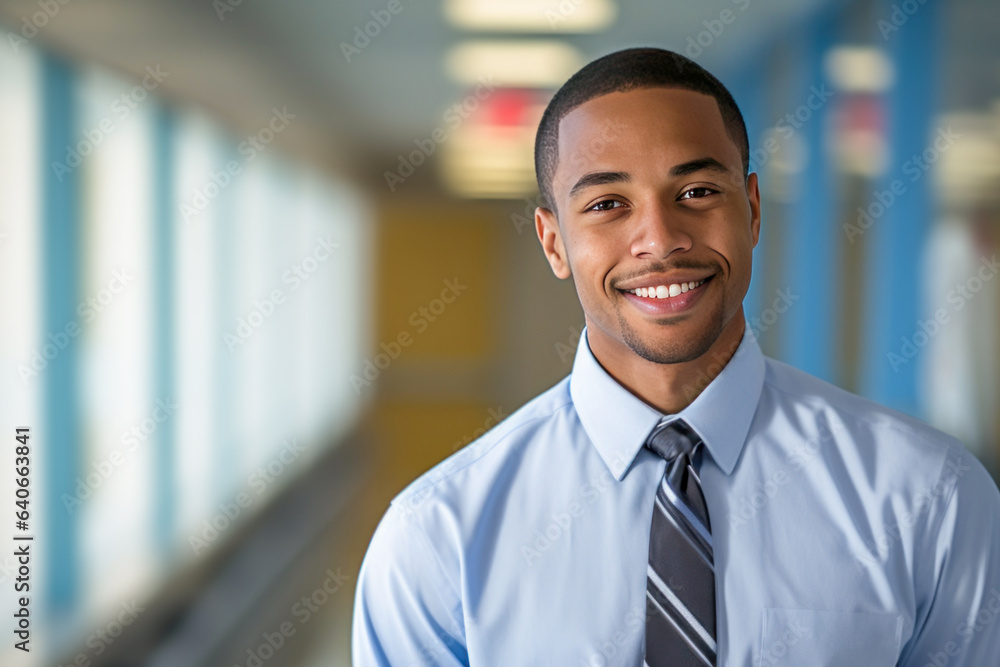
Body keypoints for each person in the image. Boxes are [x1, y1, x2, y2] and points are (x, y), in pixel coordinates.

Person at [351, 47, 1000, 666]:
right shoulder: (439, 537)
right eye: (608, 204)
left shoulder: (928, 496)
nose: (660, 240)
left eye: (695, 193)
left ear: (750, 209)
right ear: (553, 242)